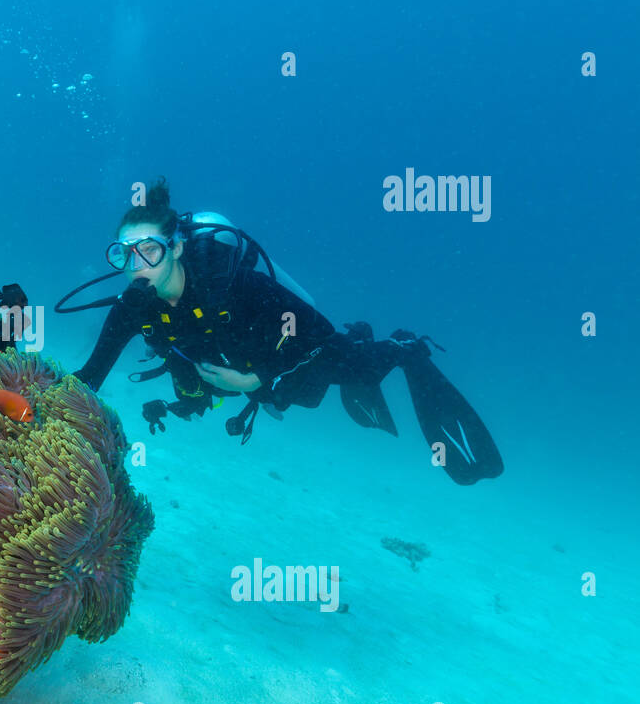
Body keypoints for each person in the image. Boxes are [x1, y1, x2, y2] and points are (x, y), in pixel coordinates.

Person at [59, 179, 502, 485]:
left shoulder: (232, 284)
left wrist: (259, 378)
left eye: (150, 251)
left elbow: (317, 332)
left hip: (289, 352)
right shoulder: (132, 308)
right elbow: (90, 377)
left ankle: (402, 348)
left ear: (175, 248)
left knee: (355, 372)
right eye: (125, 254)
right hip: (235, 371)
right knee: (288, 398)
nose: (137, 268)